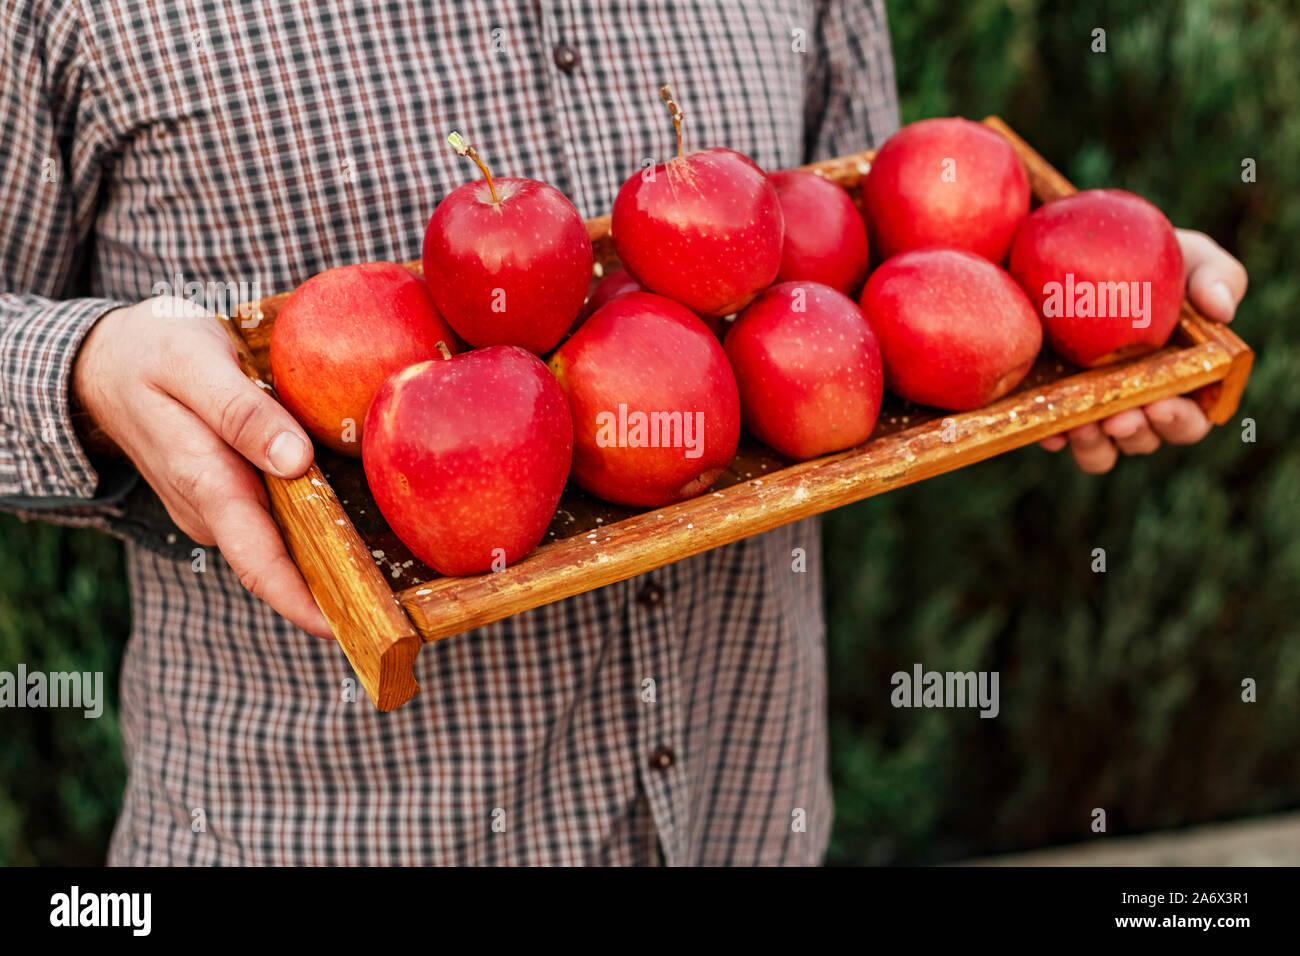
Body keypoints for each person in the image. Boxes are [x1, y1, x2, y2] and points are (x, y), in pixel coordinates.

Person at [0, 1, 1246, 865]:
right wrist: (85, 367)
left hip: (746, 811)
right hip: (331, 828)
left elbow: (864, 255)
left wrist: (1075, 312)